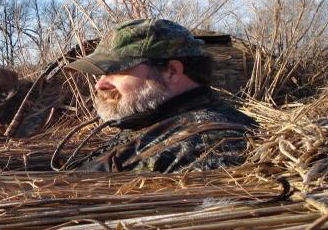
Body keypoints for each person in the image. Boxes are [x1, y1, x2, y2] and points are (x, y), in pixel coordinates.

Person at [59, 18, 258, 173]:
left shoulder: (212, 143)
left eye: (116, 70)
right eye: (102, 73)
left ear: (171, 71)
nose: (99, 84)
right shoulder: (152, 121)